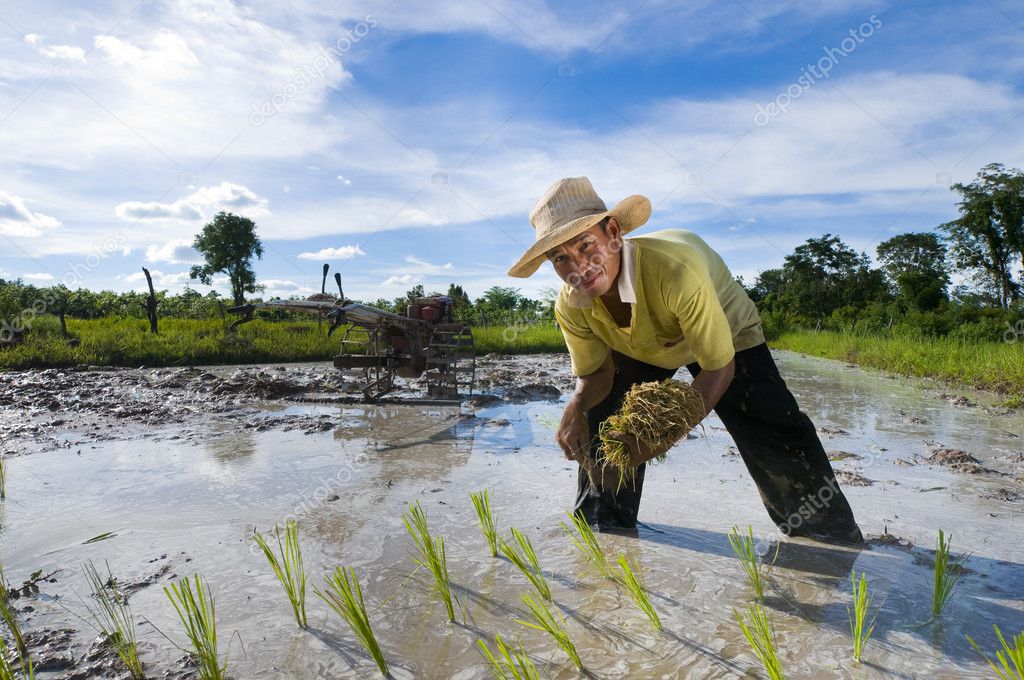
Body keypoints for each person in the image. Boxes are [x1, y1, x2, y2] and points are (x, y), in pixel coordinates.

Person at [507, 177, 863, 543]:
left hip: (726, 331)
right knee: (603, 423)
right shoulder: (571, 304)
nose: (578, 267)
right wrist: (577, 405)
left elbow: (717, 366)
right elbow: (596, 372)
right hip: (640, 344)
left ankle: (828, 536)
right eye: (560, 258)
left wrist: (665, 436)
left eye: (586, 245)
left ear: (613, 231)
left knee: (768, 424)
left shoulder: (676, 270)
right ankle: (605, 533)